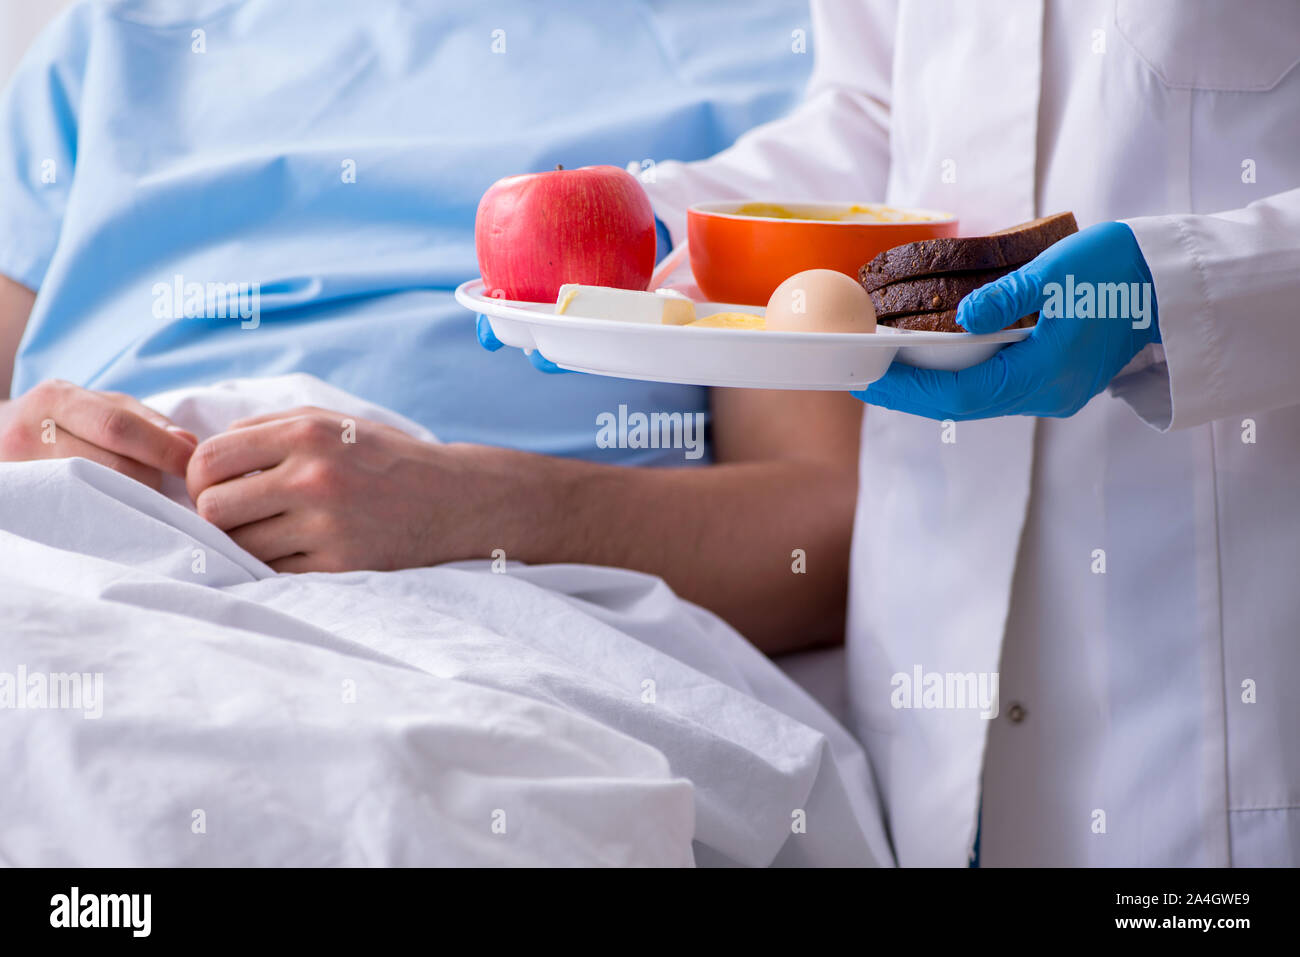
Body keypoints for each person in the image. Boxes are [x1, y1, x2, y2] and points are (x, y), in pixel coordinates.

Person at [526, 0, 1300, 866]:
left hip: (1221, 643)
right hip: (933, 622)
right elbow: (877, 111)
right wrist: (666, 232)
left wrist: (1189, 286)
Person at [0, 0, 860, 652]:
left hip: (473, 627)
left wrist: (483, 510)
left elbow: (821, 528)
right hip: (63, 568)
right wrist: (28, 447)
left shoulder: (796, 65)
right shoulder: (118, 39)